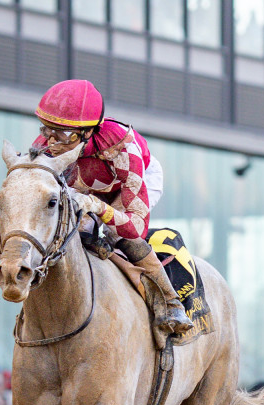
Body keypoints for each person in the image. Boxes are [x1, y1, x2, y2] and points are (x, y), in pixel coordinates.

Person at [30, 79, 192, 335]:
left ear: (88, 132)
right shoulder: (46, 145)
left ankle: (171, 302)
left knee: (117, 234)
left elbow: (134, 227)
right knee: (76, 230)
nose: (52, 142)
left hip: (132, 181)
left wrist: (99, 208)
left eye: (63, 135)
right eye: (47, 130)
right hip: (88, 186)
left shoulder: (124, 148)